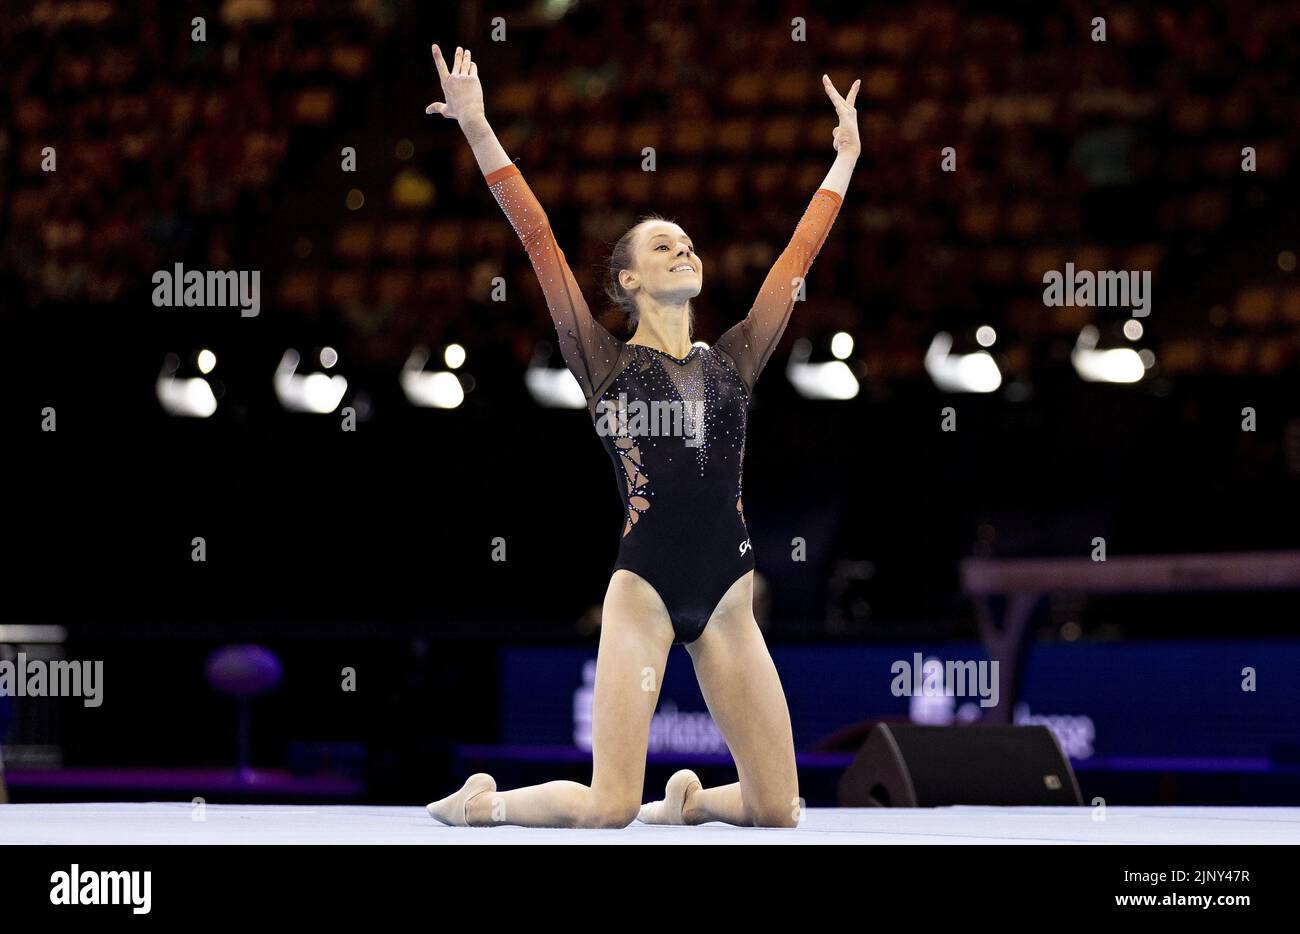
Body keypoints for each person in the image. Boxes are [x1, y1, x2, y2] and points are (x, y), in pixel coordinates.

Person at [424, 44, 859, 828]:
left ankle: (688, 805)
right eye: (663, 245)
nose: (683, 249)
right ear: (627, 280)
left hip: (728, 594)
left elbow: (799, 257)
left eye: (688, 242)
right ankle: (480, 804)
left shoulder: (735, 356)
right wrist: (479, 127)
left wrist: (844, 161)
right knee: (611, 806)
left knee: (780, 809)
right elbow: (539, 241)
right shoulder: (603, 362)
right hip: (647, 591)